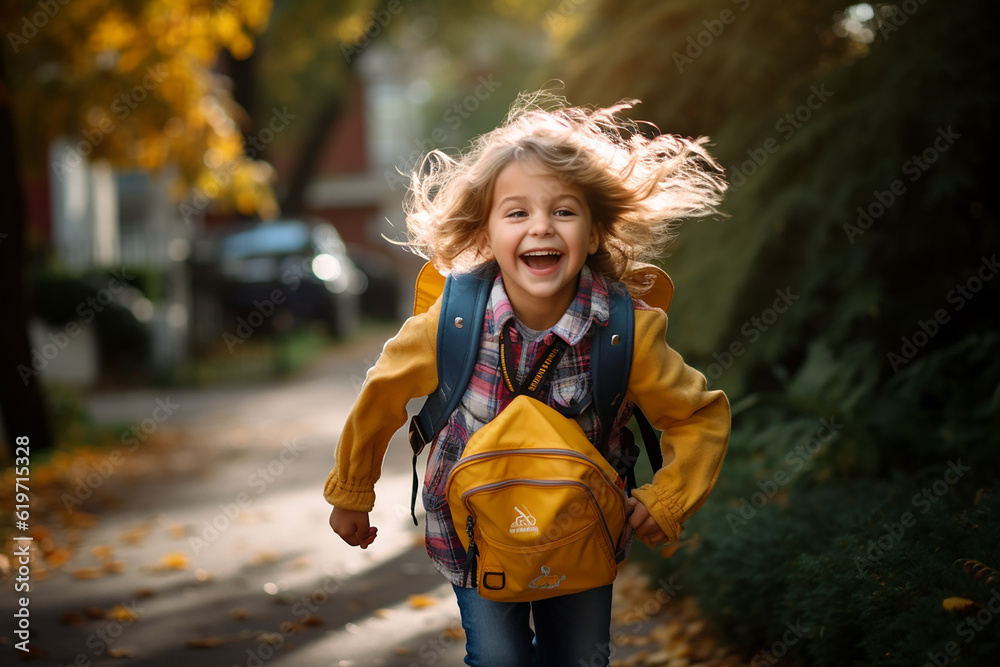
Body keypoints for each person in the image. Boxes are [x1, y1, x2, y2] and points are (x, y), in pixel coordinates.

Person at [324, 91, 731, 667]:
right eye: (517, 213)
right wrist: (351, 491)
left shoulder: (624, 331)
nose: (541, 227)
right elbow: (382, 394)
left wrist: (668, 498)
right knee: (498, 660)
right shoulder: (451, 322)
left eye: (563, 211)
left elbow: (697, 413)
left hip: (581, 533)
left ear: (592, 234)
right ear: (486, 236)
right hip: (474, 534)